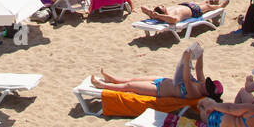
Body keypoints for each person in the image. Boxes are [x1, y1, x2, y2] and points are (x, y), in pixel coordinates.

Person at [91, 42, 222, 101]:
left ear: (208, 93)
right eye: (209, 82)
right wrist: (200, 53)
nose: (206, 83)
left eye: (208, 86)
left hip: (158, 90)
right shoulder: (201, 83)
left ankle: (102, 85)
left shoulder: (195, 93)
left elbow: (187, 79)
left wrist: (187, 58)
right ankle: (113, 80)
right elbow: (199, 68)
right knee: (132, 80)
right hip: (162, 80)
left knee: (129, 86)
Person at [138, 0, 227, 24]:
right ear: (164, 12)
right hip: (193, 10)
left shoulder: (156, 14)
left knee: (206, 3)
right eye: (163, 7)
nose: (164, 6)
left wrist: (151, 12)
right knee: (207, 6)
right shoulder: (170, 16)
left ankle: (213, 2)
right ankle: (220, 6)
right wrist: (159, 16)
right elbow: (173, 20)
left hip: (185, 5)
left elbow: (142, 7)